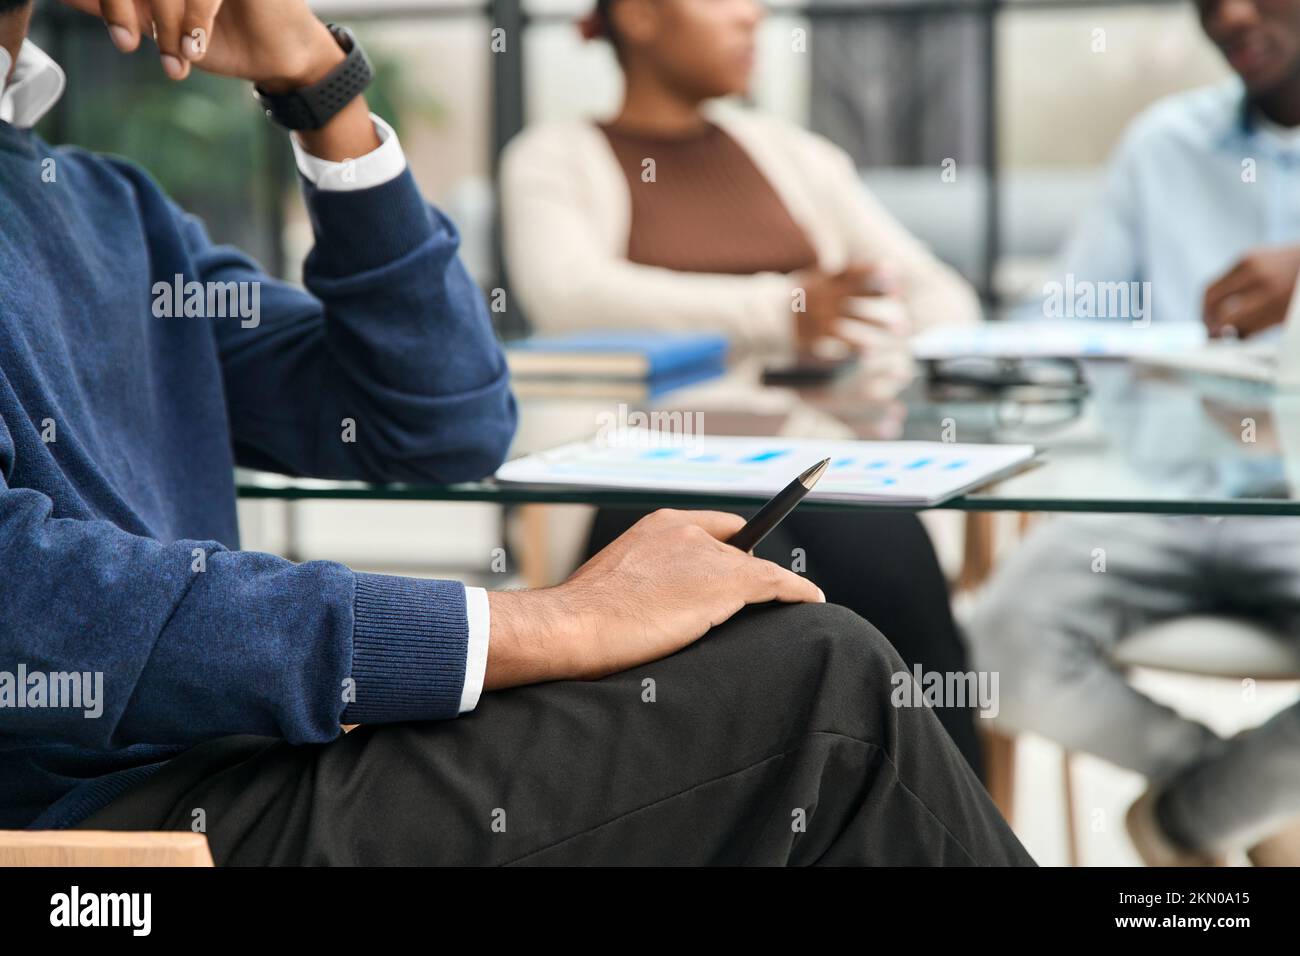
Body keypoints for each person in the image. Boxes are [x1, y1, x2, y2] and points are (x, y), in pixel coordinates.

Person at [0, 0, 1032, 866]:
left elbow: (440, 419)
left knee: (782, 649)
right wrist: (551, 624)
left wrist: (319, 87)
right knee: (821, 689)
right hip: (98, 833)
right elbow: (28, 600)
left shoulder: (107, 208)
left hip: (239, 764)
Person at [500, 0, 989, 774]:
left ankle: (949, 833)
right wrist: (786, 309)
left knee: (890, 568)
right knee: (747, 606)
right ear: (639, 16)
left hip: (813, 456)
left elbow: (941, 296)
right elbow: (570, 294)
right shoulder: (554, 157)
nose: (751, 16)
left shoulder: (796, 155)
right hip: (639, 469)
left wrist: (852, 323)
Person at [967, 0, 1300, 865]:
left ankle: (1186, 826)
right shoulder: (1165, 145)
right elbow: (1065, 318)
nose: (1229, 13)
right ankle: (1230, 799)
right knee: (995, 645)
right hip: (1161, 497)